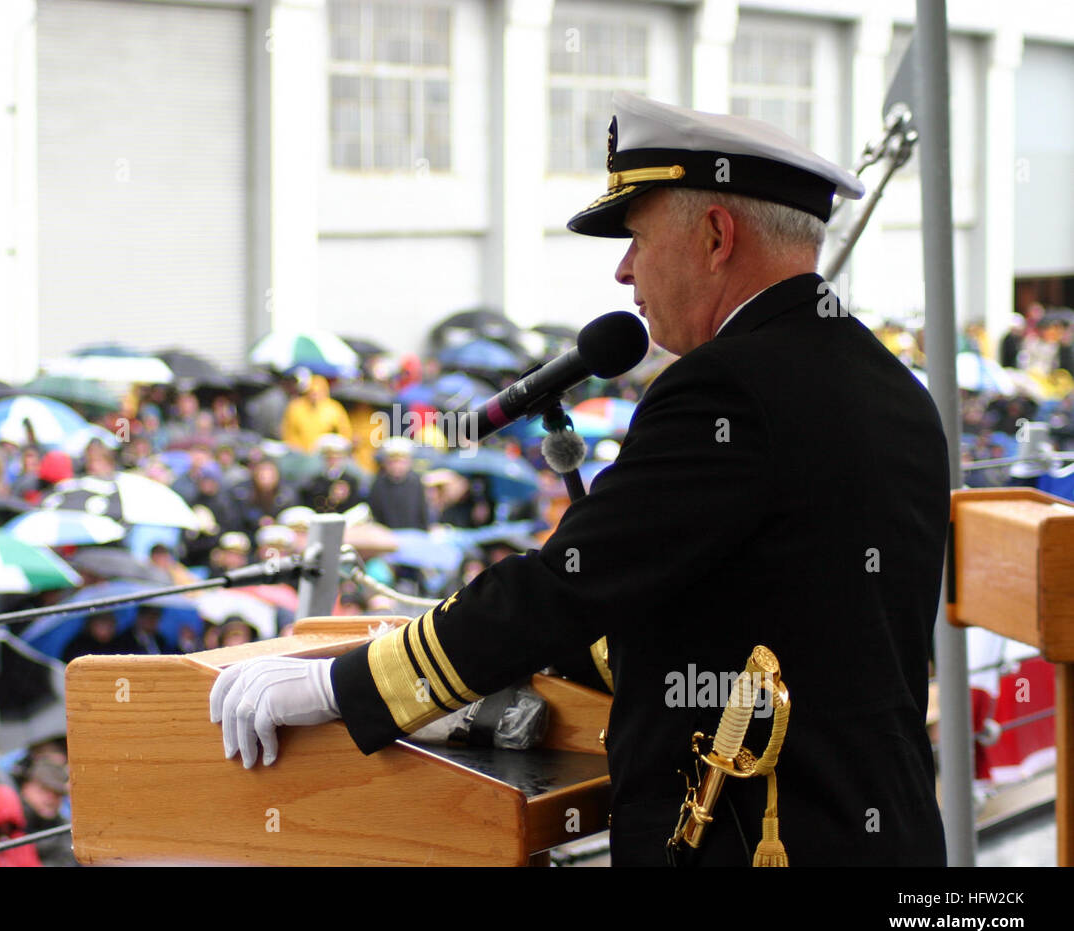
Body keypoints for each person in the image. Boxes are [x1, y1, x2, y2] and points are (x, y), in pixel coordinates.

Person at [210, 94, 950, 867]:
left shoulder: (727, 388)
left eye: (635, 237)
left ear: (715, 235)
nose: (624, 268)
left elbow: (564, 586)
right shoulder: (887, 382)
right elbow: (759, 609)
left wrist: (348, 686)